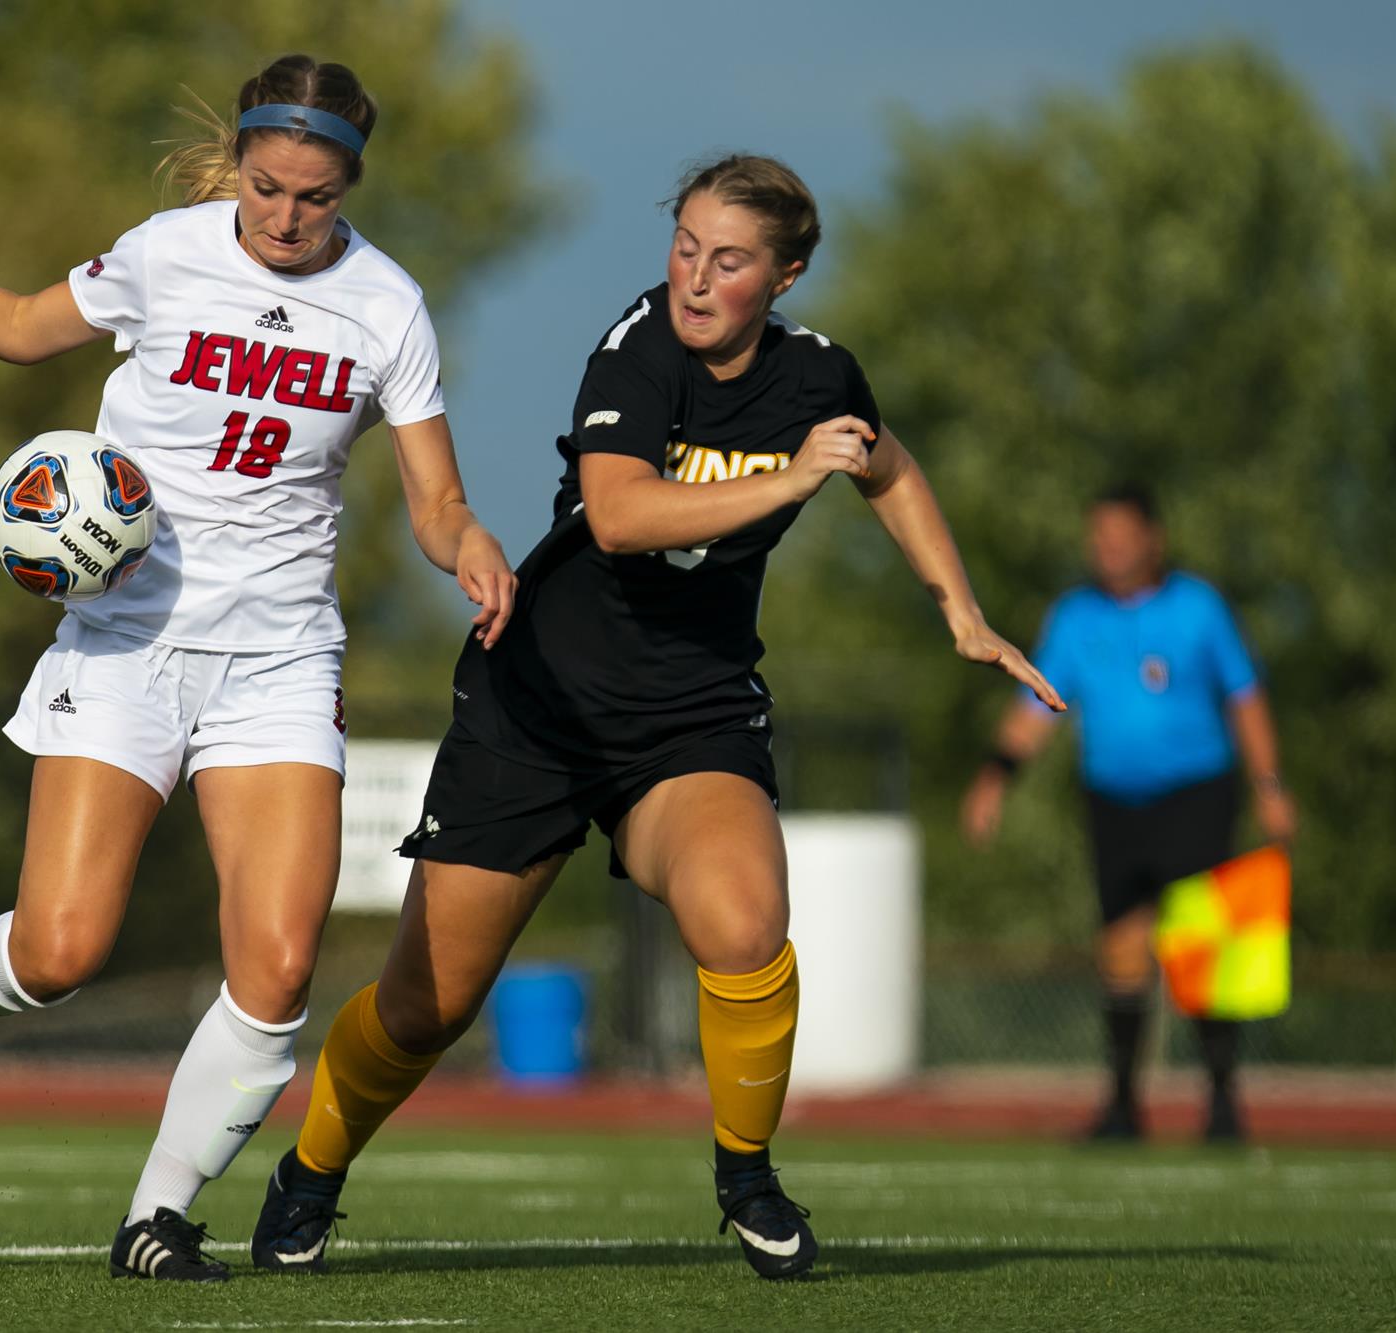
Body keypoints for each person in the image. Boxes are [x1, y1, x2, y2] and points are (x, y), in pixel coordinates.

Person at [245, 154, 1063, 1281]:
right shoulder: (638, 349)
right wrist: (784, 482)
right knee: (423, 1007)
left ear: (784, 275)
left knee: (742, 923)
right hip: (537, 703)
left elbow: (888, 467)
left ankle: (745, 1174)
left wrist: (959, 611)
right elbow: (622, 517)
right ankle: (311, 1172)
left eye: (726, 260)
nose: (692, 277)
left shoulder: (818, 374)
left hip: (689, 715)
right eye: (683, 246)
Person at [0, 54, 516, 1284]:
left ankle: (160, 1216)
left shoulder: (387, 306)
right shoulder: (166, 251)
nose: (284, 217)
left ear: (350, 183)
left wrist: (471, 549)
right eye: (264, 186)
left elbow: (436, 500)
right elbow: (25, 329)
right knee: (61, 952)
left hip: (281, 659)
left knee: (280, 966)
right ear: (237, 162)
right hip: (126, 645)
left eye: (313, 195)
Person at [959, 482, 1296, 1144]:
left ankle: (1223, 1101)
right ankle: (1122, 1104)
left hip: (1197, 789)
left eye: (1119, 534)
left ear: (1152, 538)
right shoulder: (1076, 616)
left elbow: (1246, 697)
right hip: (1113, 798)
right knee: (1119, 944)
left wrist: (1271, 784)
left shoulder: (1198, 608)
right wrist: (996, 776)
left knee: (1204, 944)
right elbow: (1038, 704)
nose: (1106, 547)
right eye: (1098, 535)